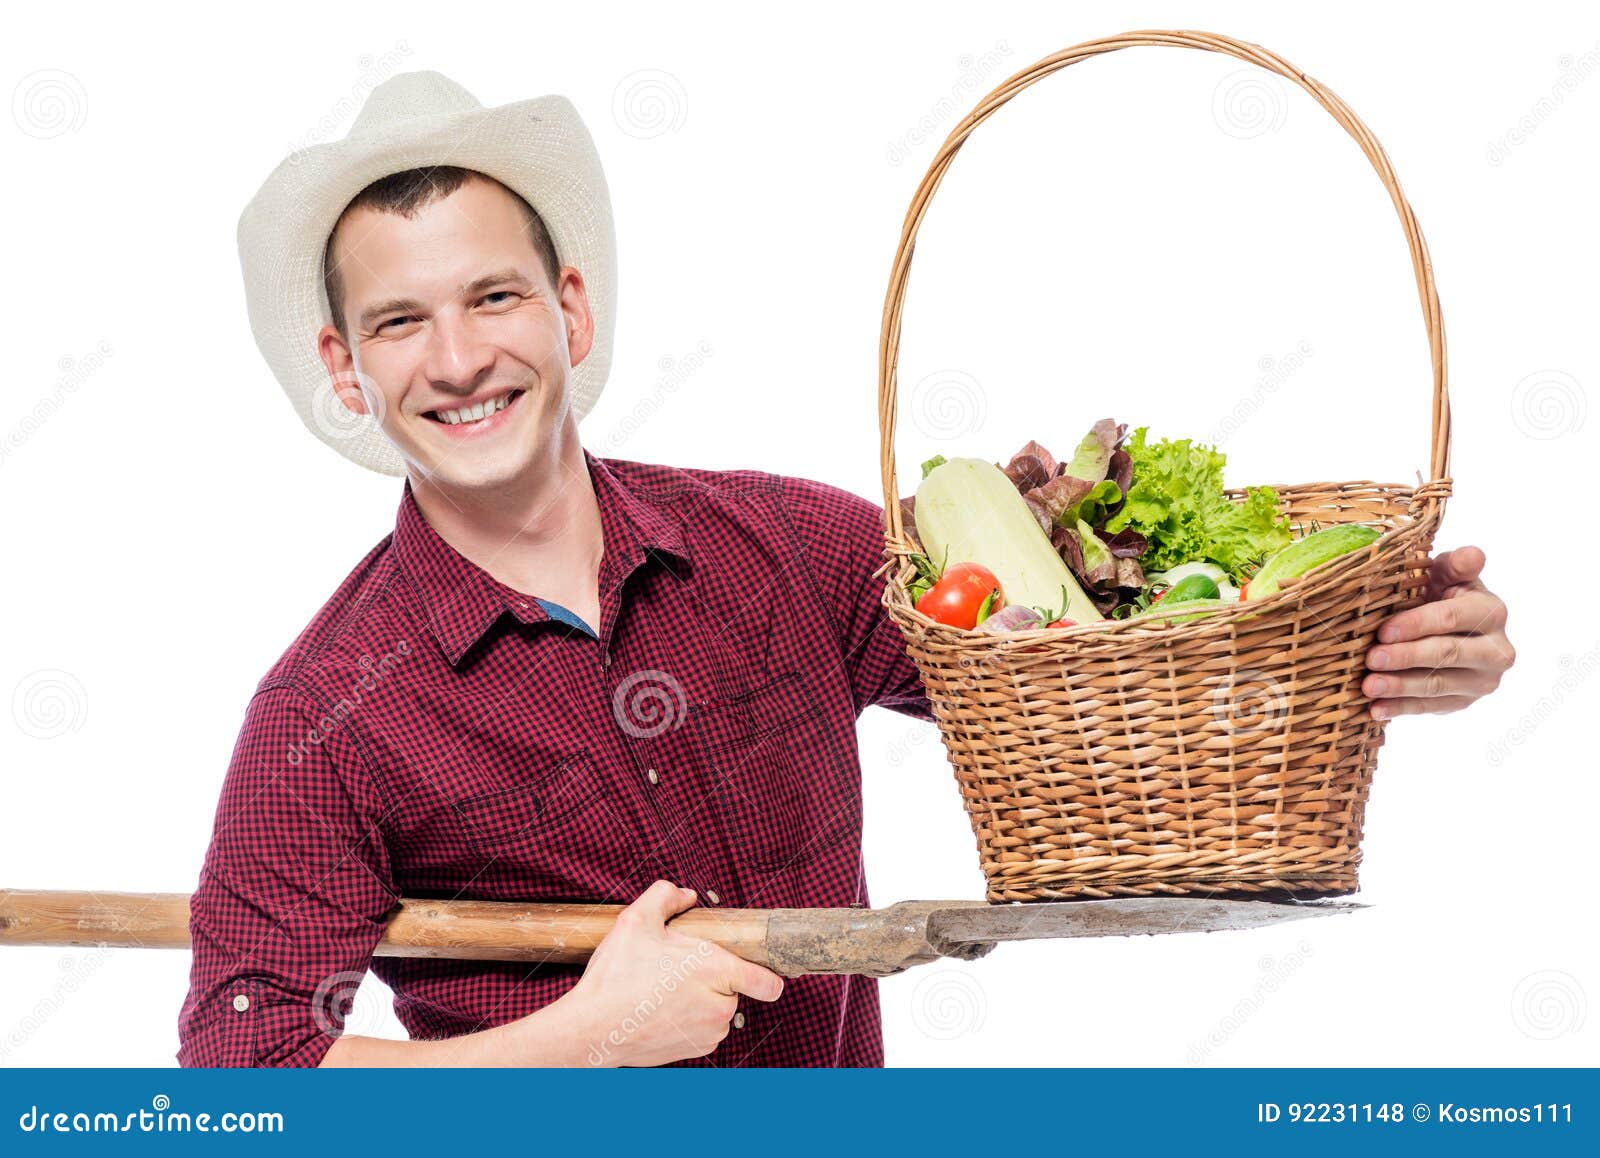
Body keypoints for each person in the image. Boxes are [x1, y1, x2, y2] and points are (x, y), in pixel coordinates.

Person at [177, 72, 1515, 1068]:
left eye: (494, 297)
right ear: (347, 369)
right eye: (401, 321)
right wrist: (580, 1035)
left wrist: (1369, 648)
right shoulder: (324, 719)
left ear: (571, 309)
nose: (460, 359)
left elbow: (1090, 675)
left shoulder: (785, 552)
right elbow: (241, 1084)